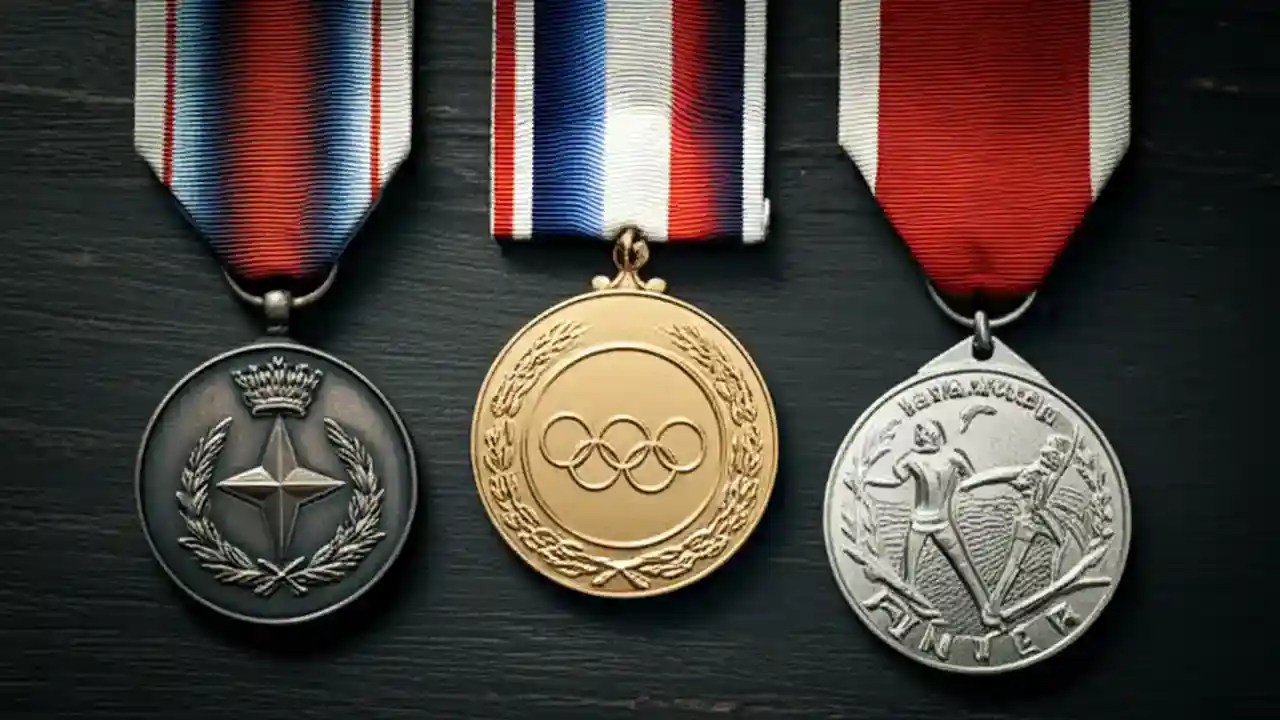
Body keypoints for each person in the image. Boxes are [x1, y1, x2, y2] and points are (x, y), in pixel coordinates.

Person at [867, 419, 999, 627]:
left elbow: (894, 481)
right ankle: (987, 611)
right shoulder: (952, 457)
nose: (920, 438)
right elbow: (971, 478)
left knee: (911, 577)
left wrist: (868, 479)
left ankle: (984, 611)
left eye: (922, 434)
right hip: (936, 523)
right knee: (961, 567)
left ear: (930, 435)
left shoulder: (911, 459)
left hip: (924, 524)